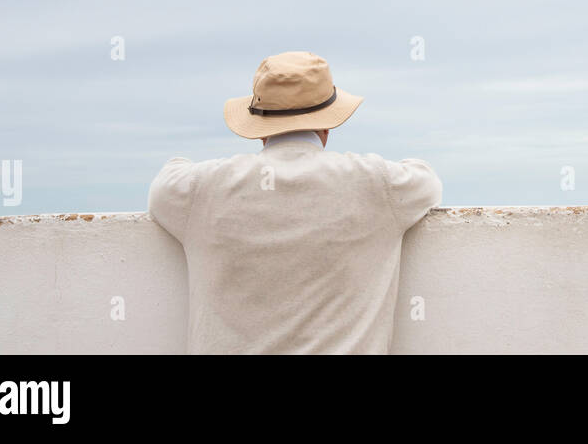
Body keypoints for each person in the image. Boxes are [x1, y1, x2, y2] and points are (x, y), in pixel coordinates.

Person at [148, 50, 441, 353]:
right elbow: (426, 180)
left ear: (259, 130)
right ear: (328, 125)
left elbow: (165, 184)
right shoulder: (376, 182)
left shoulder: (204, 188)